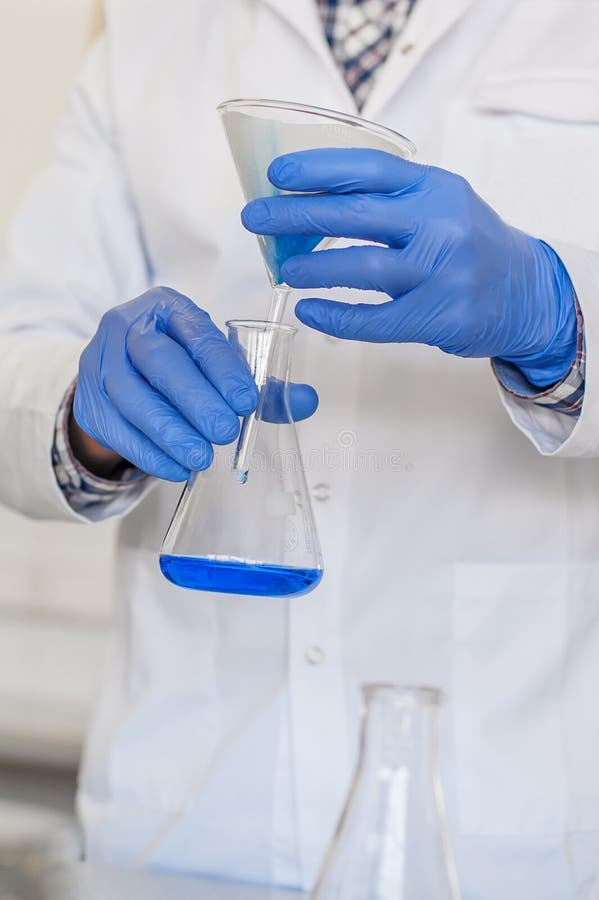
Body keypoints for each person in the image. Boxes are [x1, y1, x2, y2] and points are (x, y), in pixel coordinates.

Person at [1, 1, 598, 897]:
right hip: (187, 824)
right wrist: (88, 412)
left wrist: (557, 312)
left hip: (507, 835)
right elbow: (20, 352)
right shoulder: (149, 23)